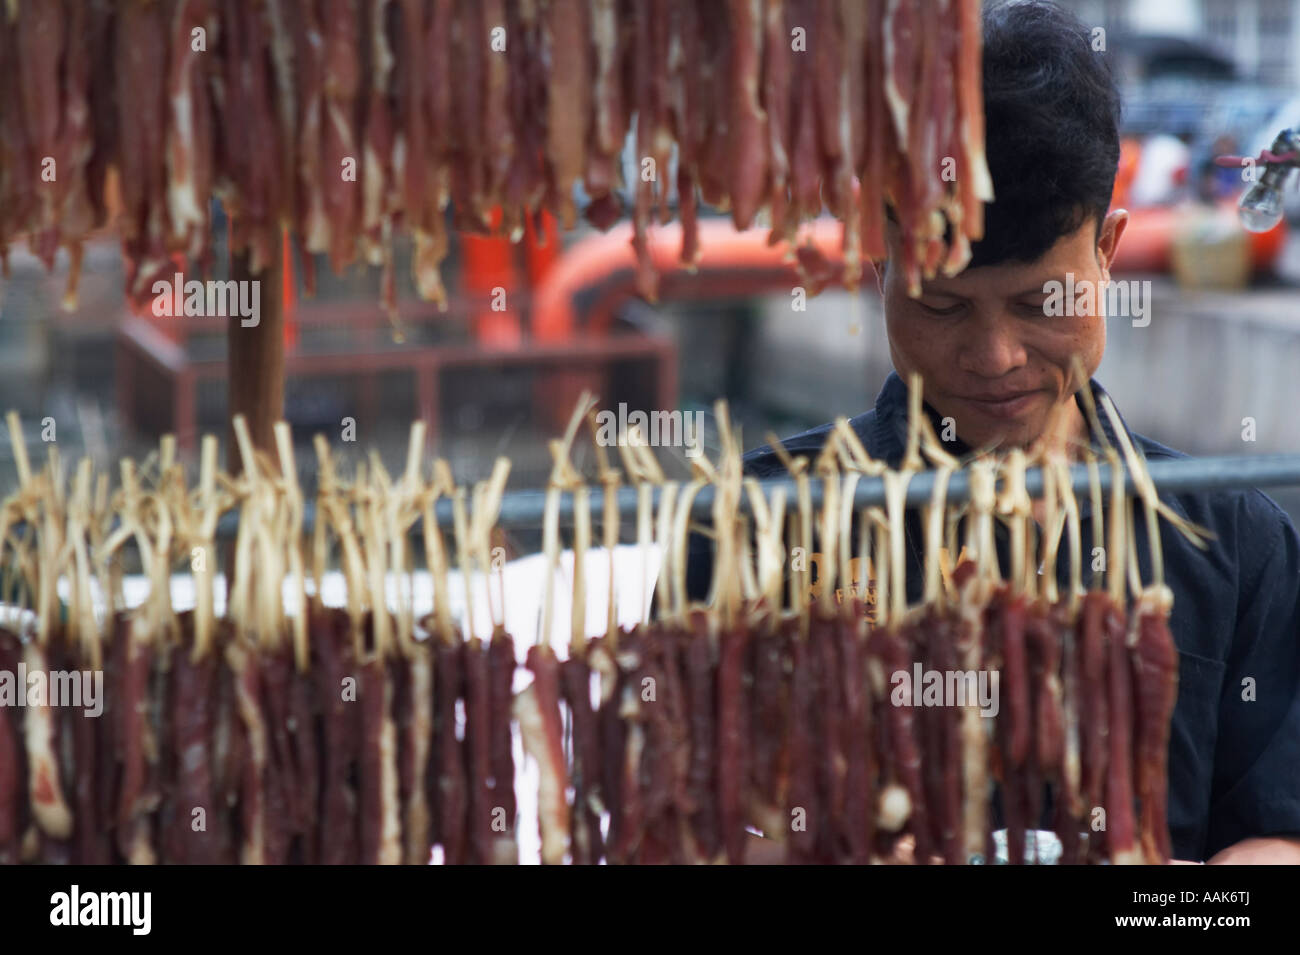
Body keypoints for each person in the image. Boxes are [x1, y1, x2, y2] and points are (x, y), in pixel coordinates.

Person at [686, 0, 1300, 864]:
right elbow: (687, 821)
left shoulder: (1236, 545)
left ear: (1108, 252)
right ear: (878, 265)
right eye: (943, 306)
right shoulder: (753, 528)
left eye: (1038, 302)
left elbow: (1276, 832)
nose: (994, 355)